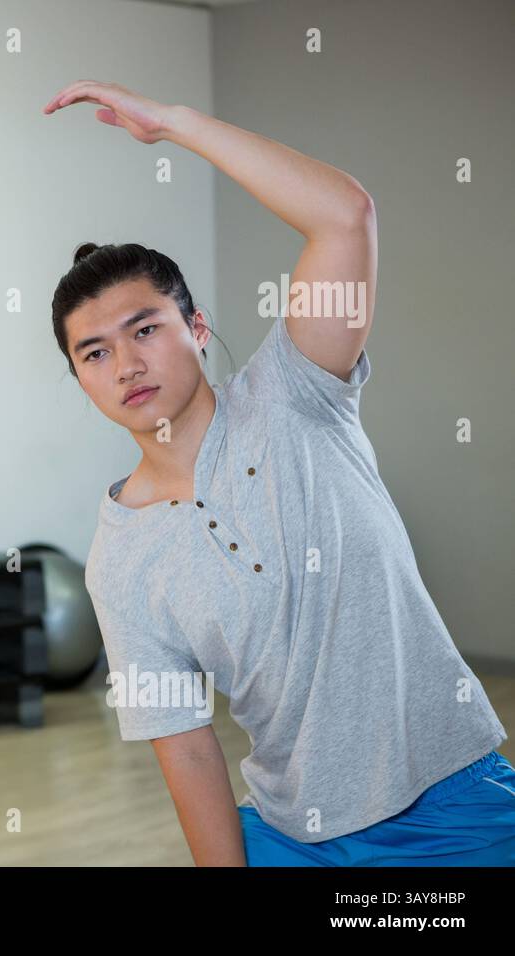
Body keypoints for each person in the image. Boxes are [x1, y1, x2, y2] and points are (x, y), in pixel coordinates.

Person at [44, 81, 513, 866]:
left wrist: (178, 126)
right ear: (82, 379)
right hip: (298, 837)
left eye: (145, 329)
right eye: (94, 353)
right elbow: (186, 747)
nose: (125, 364)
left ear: (195, 328)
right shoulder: (119, 560)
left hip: (454, 806)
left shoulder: (295, 393)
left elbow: (343, 215)